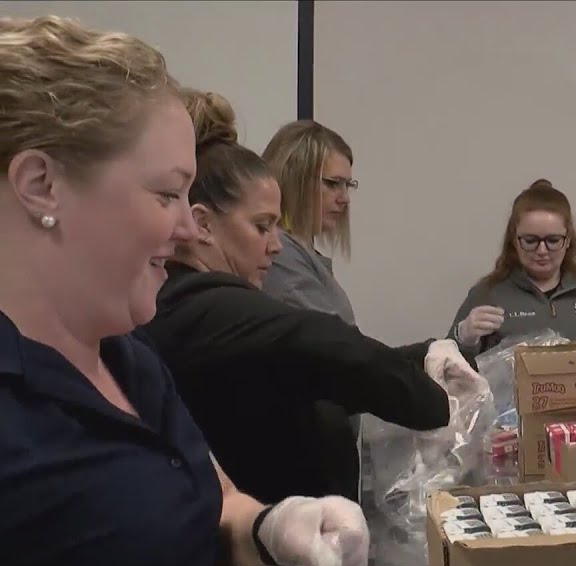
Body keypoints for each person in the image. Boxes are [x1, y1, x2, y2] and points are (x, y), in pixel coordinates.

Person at [0, 15, 367, 566]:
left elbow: (211, 509)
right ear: (41, 183)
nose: (186, 227)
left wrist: (271, 529)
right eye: (166, 195)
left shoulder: (130, 362)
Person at [141, 89, 480, 506]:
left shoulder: (211, 300)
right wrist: (443, 410)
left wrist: (424, 355)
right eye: (262, 227)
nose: (274, 245)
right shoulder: (201, 303)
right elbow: (328, 347)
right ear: (204, 225)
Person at [449, 179, 576, 353]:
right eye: (530, 241)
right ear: (514, 240)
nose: (542, 250)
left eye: (553, 240)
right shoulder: (487, 293)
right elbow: (444, 368)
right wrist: (464, 338)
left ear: (568, 240)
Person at [260, 119, 358, 321]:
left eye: (347, 185)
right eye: (332, 184)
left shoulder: (298, 249)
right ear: (294, 180)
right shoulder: (280, 251)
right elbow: (334, 342)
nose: (344, 198)